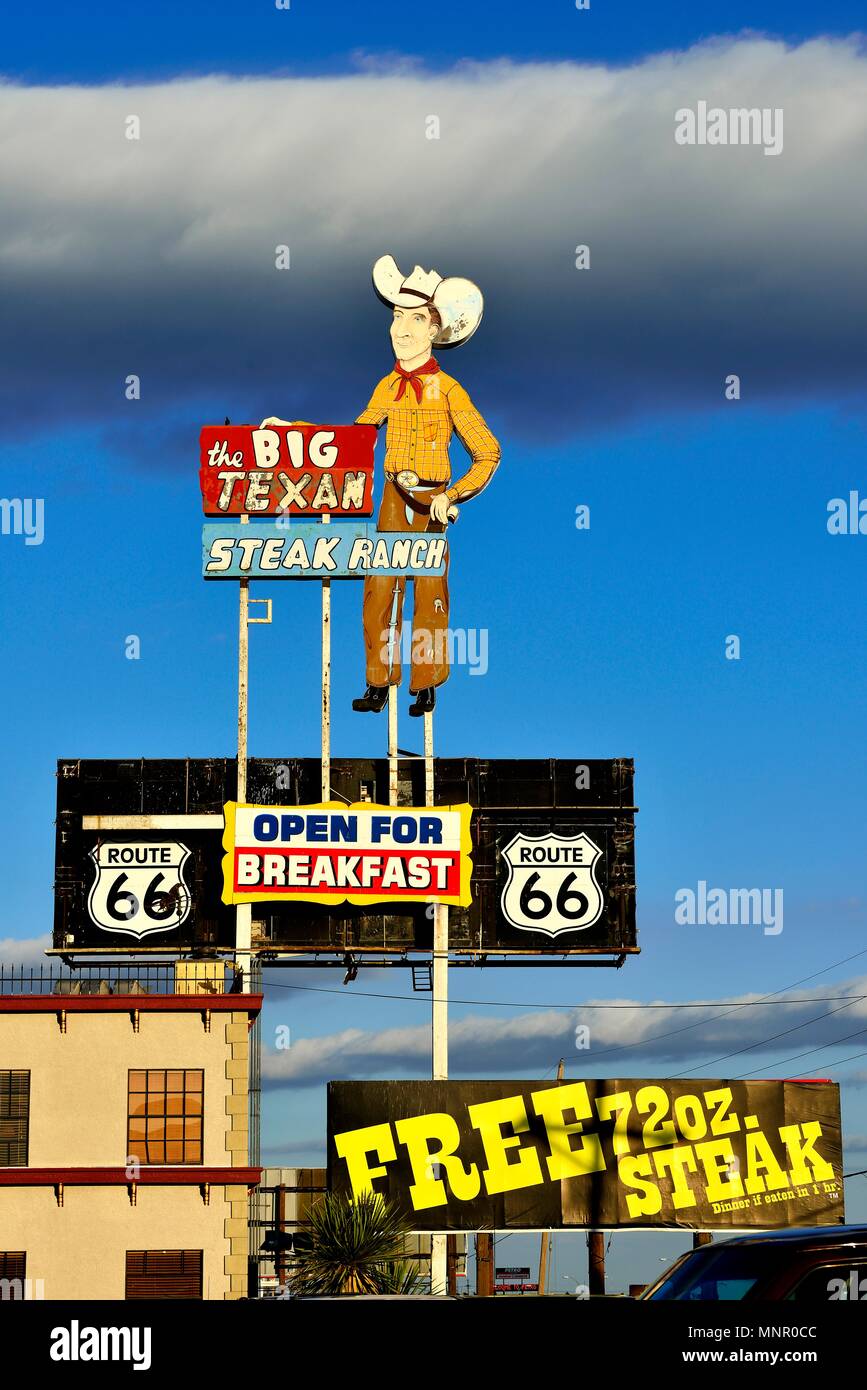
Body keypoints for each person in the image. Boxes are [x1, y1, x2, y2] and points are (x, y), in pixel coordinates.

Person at [262, 254, 500, 715]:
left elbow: (488, 451)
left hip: (431, 501)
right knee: (379, 586)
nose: (402, 330)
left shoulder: (450, 392)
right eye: (397, 317)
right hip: (393, 498)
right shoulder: (388, 387)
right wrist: (295, 432)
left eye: (415, 319)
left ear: (434, 329)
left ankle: (426, 684)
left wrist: (450, 495)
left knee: (429, 593)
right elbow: (354, 439)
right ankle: (378, 681)